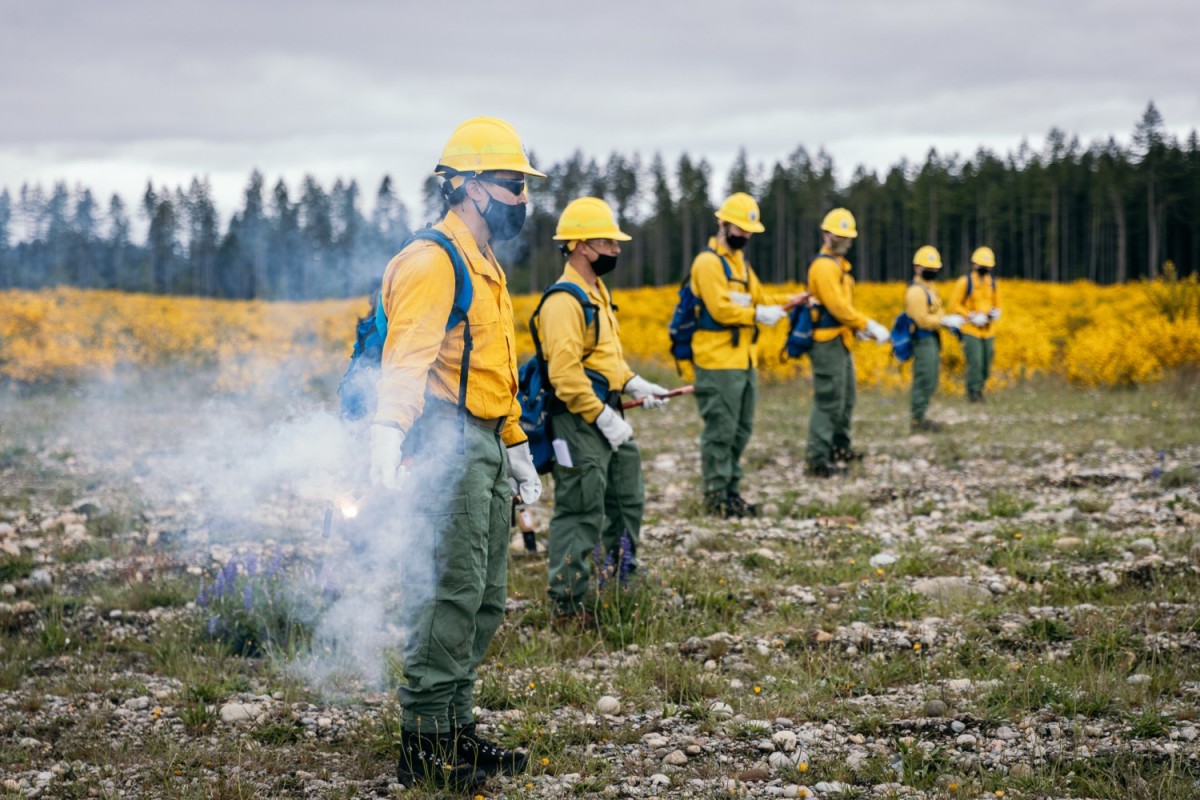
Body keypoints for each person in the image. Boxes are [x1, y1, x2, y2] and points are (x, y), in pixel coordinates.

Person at [368, 116, 544, 790]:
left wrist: (517, 446)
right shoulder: (432, 259)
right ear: (466, 186)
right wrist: (388, 430)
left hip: (486, 445)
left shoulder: (484, 262)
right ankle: (423, 744)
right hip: (445, 444)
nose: (520, 201)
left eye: (524, 188)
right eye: (510, 186)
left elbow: (493, 371)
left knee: (483, 597)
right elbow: (407, 358)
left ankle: (457, 729)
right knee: (449, 591)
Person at [535, 197, 670, 624]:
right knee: (580, 508)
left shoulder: (597, 292)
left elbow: (604, 358)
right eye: (606, 241)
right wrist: (601, 417)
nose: (615, 249)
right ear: (579, 246)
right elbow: (566, 374)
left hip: (607, 413)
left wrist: (632, 382)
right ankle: (567, 604)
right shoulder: (563, 302)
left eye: (615, 241)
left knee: (626, 496)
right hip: (577, 421)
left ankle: (615, 574)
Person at [690, 192, 801, 518]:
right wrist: (756, 315)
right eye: (740, 229)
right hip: (716, 361)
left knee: (741, 431)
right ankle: (716, 498)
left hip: (744, 360)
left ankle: (730, 491)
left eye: (750, 231)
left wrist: (791, 300)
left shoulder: (741, 265)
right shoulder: (708, 262)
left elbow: (762, 299)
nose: (745, 236)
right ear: (723, 224)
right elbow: (721, 309)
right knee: (720, 432)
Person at [803, 208, 890, 478]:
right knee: (830, 399)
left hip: (841, 340)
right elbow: (838, 307)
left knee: (846, 397)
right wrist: (866, 324)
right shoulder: (824, 267)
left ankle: (840, 447)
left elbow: (843, 309)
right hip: (826, 342)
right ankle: (817, 459)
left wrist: (857, 330)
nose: (844, 241)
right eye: (839, 235)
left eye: (847, 236)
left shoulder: (839, 267)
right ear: (826, 234)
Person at [905, 246, 964, 432]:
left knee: (931, 379)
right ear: (916, 267)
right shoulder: (916, 292)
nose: (931, 271)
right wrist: (944, 320)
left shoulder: (931, 290)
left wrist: (946, 321)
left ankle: (921, 418)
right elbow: (921, 320)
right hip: (922, 340)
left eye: (934, 268)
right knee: (923, 379)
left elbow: (936, 312)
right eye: (927, 267)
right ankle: (917, 421)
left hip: (933, 339)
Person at [948, 246, 1001, 402]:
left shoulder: (993, 283)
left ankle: (979, 388)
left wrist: (995, 312)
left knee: (986, 364)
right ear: (973, 265)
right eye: (981, 266)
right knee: (975, 362)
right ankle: (974, 394)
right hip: (969, 329)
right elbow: (953, 305)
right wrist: (970, 315)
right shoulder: (965, 282)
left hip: (988, 330)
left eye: (987, 266)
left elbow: (997, 304)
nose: (984, 269)